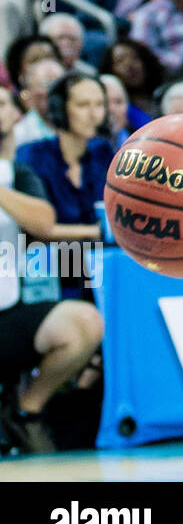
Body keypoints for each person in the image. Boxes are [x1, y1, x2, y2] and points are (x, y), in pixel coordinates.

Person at [0, 84, 103, 454]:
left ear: (15, 114)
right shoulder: (37, 156)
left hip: (8, 311)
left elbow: (43, 224)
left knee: (84, 322)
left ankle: (27, 410)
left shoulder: (15, 172)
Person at [14, 72, 112, 238]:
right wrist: (99, 232)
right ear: (59, 109)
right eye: (82, 105)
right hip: (49, 258)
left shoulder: (104, 153)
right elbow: (38, 226)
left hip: (102, 257)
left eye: (99, 104)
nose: (94, 114)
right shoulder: (32, 155)